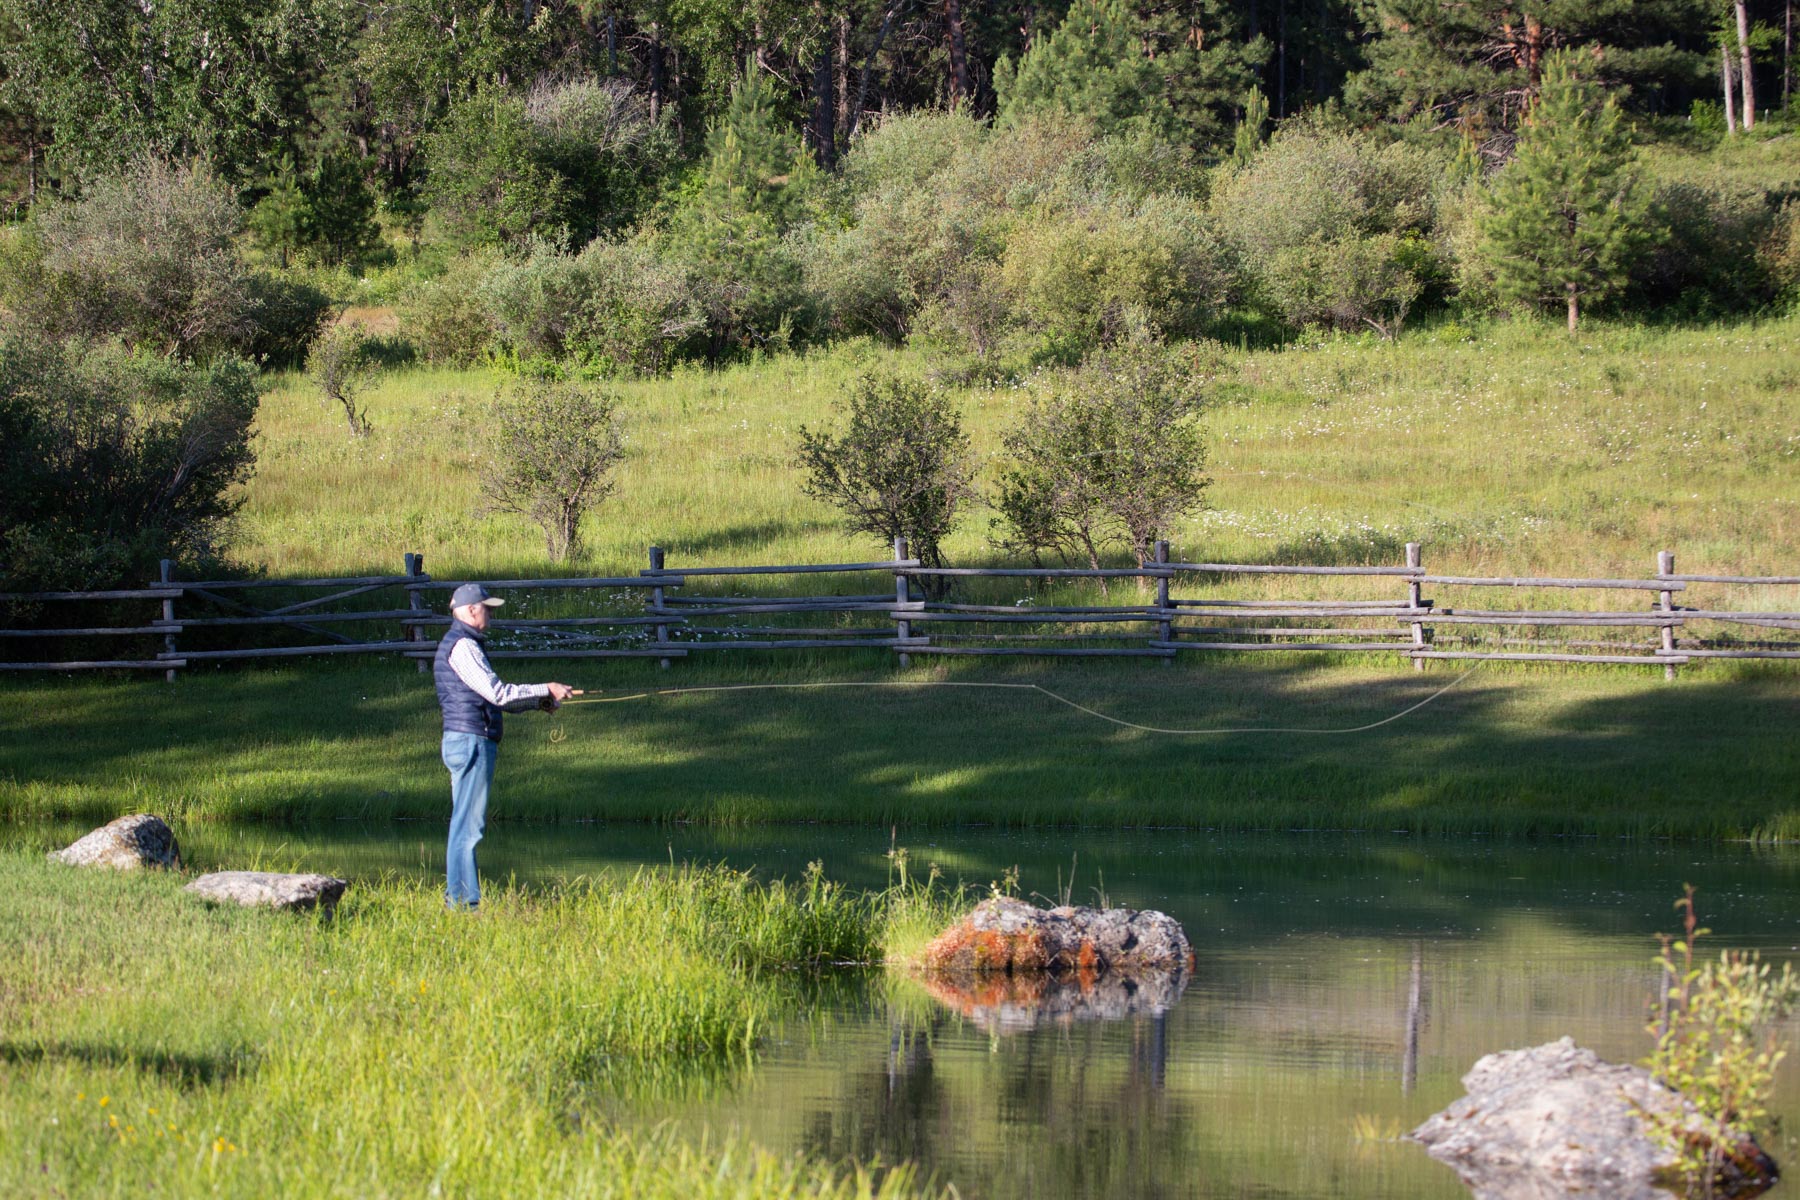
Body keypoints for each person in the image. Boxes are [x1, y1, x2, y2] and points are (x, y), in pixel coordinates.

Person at [434, 582, 574, 909]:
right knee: (468, 828)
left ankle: (458, 899)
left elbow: (494, 698)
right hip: (471, 741)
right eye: (487, 608)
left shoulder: (462, 643)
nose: (492, 614)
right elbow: (498, 694)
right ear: (470, 610)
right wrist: (547, 687)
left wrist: (540, 701)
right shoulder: (463, 646)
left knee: (463, 825)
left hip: (466, 740)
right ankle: (464, 904)